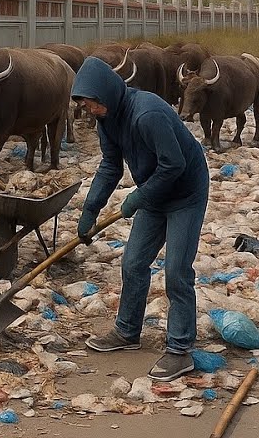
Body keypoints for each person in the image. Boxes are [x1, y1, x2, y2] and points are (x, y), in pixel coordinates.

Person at [71, 56, 210, 382]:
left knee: (176, 271)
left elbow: (174, 164)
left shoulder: (147, 114)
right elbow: (110, 165)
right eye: (84, 105)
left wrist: (139, 197)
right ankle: (127, 331)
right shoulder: (106, 119)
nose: (88, 110)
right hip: (153, 191)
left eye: (90, 103)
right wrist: (91, 209)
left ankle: (180, 349)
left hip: (185, 194)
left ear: (105, 94)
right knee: (133, 263)